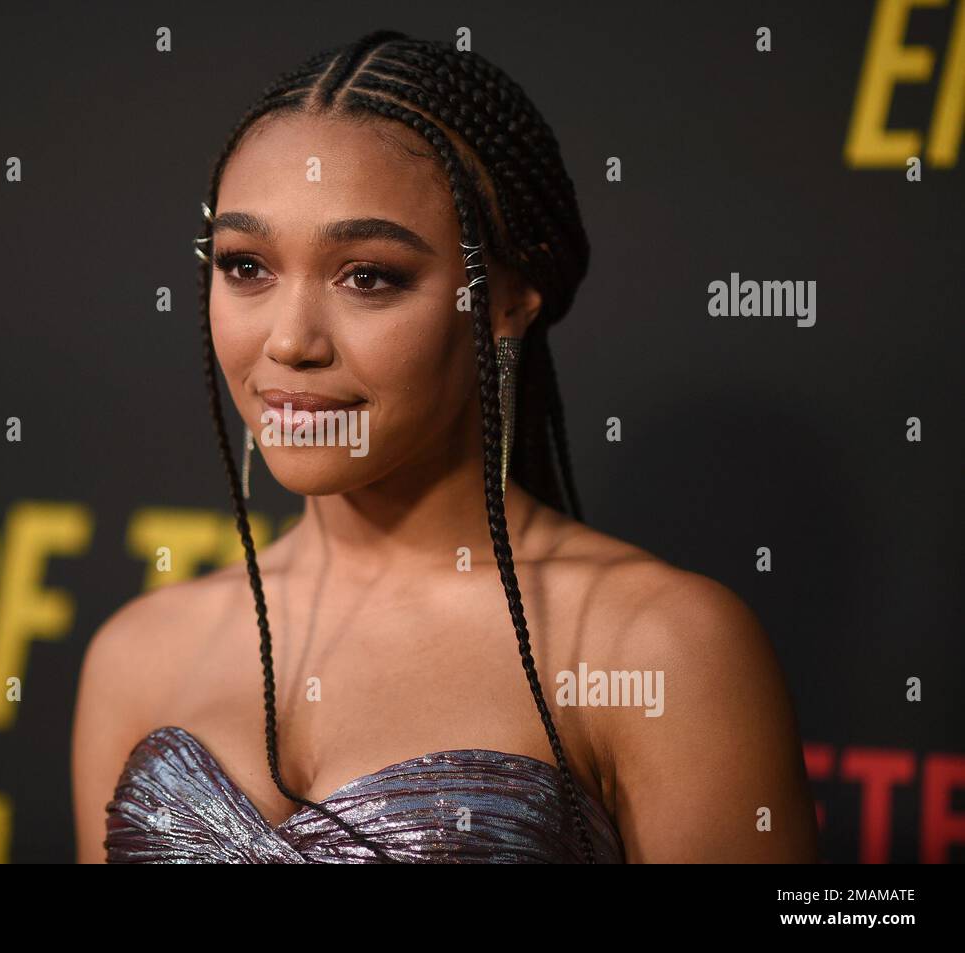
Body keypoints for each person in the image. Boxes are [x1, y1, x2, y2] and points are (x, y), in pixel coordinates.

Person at [73, 29, 819, 863]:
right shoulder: (135, 656)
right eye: (246, 266)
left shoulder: (662, 648)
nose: (289, 342)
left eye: (369, 276)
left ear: (508, 302)